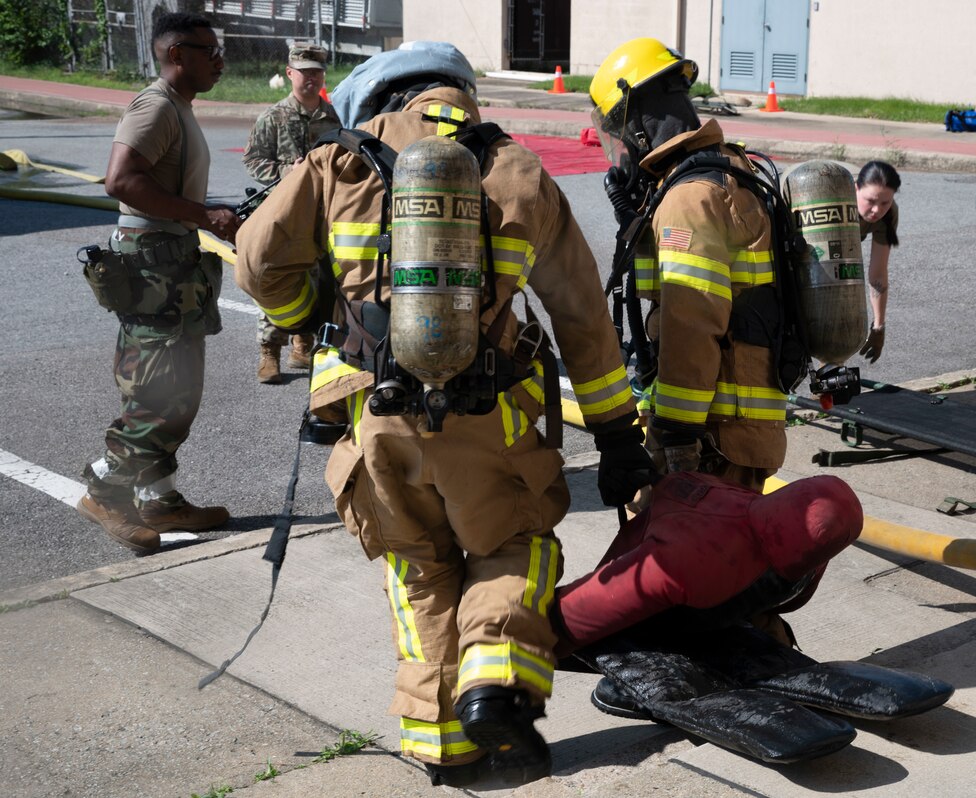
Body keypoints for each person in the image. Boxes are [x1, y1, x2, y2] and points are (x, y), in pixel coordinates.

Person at [235, 41, 652, 788]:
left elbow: (258, 258)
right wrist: (619, 433)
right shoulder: (521, 172)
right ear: (463, 94)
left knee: (418, 570)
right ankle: (494, 685)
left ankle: (441, 747)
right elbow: (584, 318)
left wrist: (312, 314)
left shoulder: (339, 160)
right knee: (514, 546)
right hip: (490, 420)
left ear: (385, 98)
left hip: (376, 422)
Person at [589, 38, 788, 495]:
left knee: (696, 558)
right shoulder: (732, 168)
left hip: (711, 434)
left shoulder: (687, 199)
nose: (618, 147)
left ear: (638, 123)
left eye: (618, 130)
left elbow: (690, 322)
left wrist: (675, 435)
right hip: (736, 422)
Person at [76, 11, 239, 556]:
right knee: (160, 395)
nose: (219, 58)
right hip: (154, 269)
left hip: (171, 267)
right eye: (208, 50)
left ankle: (161, 498)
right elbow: (120, 180)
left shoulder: (179, 108)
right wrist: (203, 215)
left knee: (176, 389)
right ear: (176, 54)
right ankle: (104, 489)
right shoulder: (156, 106)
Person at [553, 471, 863, 656]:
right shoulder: (695, 558)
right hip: (673, 545)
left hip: (708, 550)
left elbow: (782, 602)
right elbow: (574, 615)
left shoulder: (813, 544)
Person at [243, 42, 341, 384]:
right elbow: (252, 160)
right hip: (281, 212)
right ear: (290, 74)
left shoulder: (331, 117)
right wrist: (288, 172)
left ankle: (305, 343)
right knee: (276, 278)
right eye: (304, 72)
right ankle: (269, 351)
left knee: (320, 277)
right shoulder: (273, 116)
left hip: (321, 212)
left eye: (316, 72)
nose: (311, 79)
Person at [855, 161, 901, 364]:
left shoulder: (889, 213)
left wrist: (879, 326)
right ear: (856, 188)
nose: (876, 210)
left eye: (885, 203)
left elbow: (878, 274)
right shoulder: (836, 201)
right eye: (870, 201)